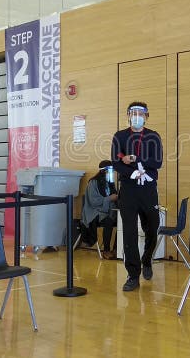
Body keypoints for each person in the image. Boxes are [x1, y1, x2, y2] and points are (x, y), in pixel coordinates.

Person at [111, 101, 162, 291]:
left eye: (141, 113)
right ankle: (133, 274)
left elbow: (157, 162)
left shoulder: (153, 137)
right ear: (128, 115)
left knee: (152, 227)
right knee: (130, 232)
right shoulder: (120, 136)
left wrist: (134, 159)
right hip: (129, 188)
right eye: (133, 113)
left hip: (148, 189)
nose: (137, 116)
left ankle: (147, 259)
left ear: (147, 116)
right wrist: (132, 171)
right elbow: (116, 162)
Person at [81, 160, 118, 259]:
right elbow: (94, 202)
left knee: (123, 222)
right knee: (109, 222)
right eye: (110, 171)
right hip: (94, 212)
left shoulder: (110, 183)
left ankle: (115, 249)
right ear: (104, 171)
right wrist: (110, 198)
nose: (112, 173)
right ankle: (106, 251)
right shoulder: (93, 182)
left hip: (107, 211)